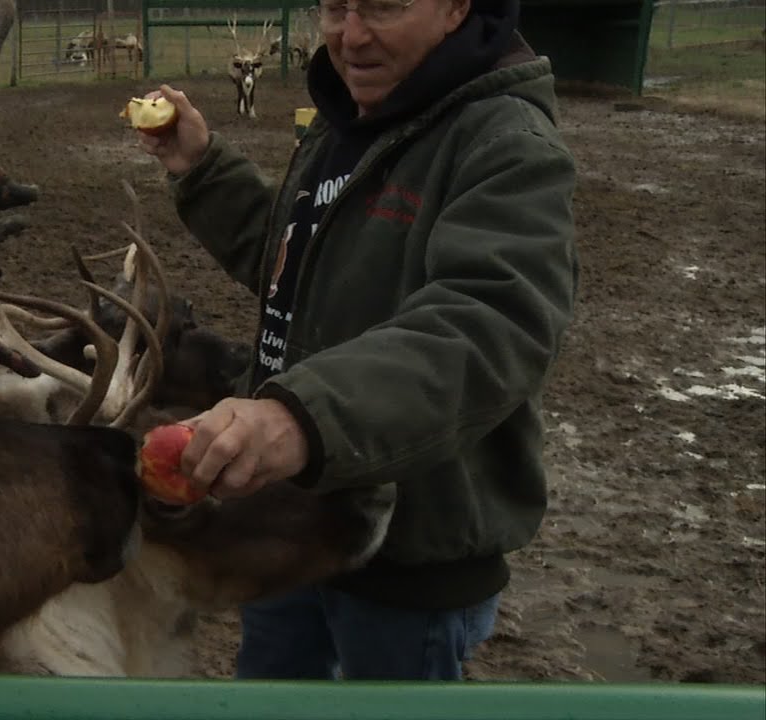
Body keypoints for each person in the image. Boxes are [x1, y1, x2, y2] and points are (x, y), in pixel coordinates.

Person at [135, 0, 578, 681]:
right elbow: (296, 263)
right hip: (290, 519)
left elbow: (489, 324)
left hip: (406, 559)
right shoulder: (347, 120)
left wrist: (298, 418)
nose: (351, 35)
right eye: (335, 8)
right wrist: (202, 168)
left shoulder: (503, 142)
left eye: (381, 6)